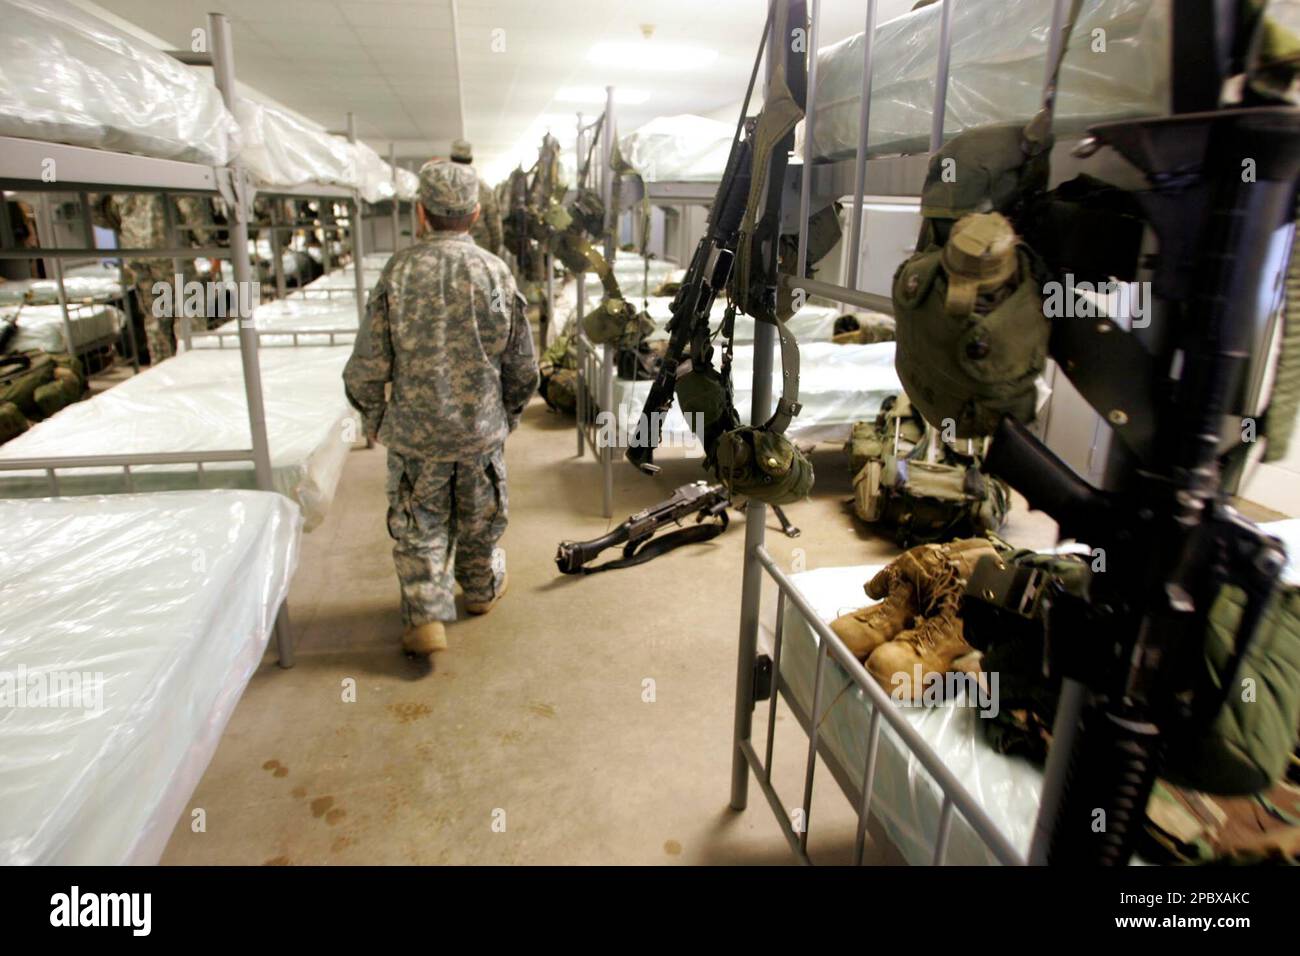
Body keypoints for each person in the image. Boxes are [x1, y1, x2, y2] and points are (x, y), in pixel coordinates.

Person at [343, 160, 538, 657]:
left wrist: (372, 416)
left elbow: (368, 360)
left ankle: (428, 616)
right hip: (479, 430)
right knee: (481, 516)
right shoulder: (494, 272)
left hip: (416, 433)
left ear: (421, 213)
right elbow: (520, 362)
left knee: (420, 522)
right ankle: (478, 590)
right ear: (475, 214)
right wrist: (507, 414)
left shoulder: (399, 272)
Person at [450, 138, 504, 256]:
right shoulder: (484, 189)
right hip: (479, 251)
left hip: (448, 252)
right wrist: (493, 254)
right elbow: (495, 227)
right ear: (471, 160)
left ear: (451, 159)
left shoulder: (441, 186)